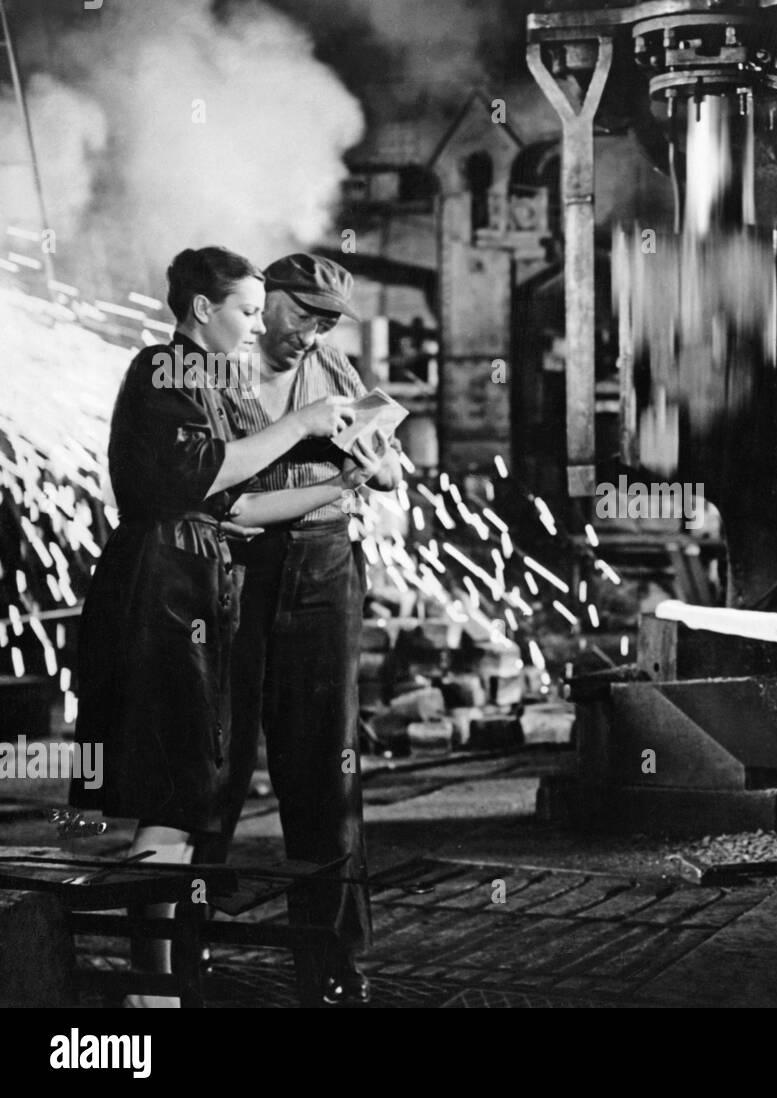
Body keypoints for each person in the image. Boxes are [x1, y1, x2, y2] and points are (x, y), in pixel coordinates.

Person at [70, 246, 376, 1006]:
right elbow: (211, 474)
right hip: (169, 595)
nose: (252, 327)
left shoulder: (215, 379)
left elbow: (238, 504)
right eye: (246, 310)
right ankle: (157, 988)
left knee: (189, 793)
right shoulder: (168, 370)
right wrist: (304, 424)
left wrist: (344, 479)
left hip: (205, 585)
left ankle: (167, 984)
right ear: (207, 309)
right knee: (183, 791)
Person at [195, 254, 403, 1006]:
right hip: (235, 565)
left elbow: (390, 473)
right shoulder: (217, 365)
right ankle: (192, 947)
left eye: (323, 322)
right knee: (213, 762)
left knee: (325, 769)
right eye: (297, 315)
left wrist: (371, 458)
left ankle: (334, 962)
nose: (307, 334)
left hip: (321, 566)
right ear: (262, 300)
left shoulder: (335, 366)